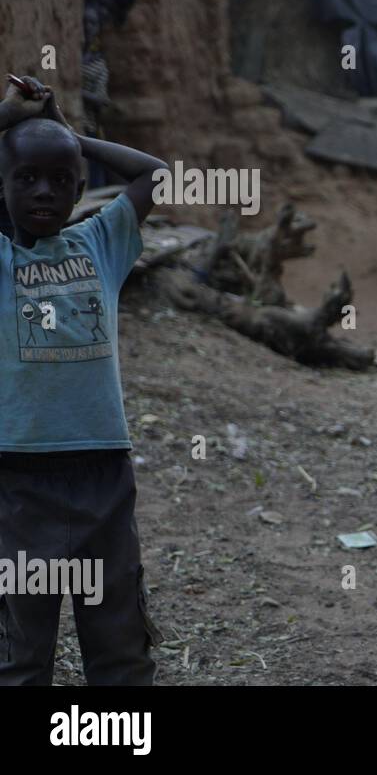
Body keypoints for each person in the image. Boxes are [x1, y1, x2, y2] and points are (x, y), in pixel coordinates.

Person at [0, 77, 167, 685]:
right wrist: (6, 120)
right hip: (19, 479)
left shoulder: (101, 241)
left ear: (79, 188)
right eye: (25, 178)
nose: (44, 191)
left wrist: (73, 138)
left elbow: (156, 175)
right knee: (22, 648)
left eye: (60, 179)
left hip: (103, 474)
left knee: (119, 642)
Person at [81, 0, 136, 189]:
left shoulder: (98, 62)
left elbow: (102, 100)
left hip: (88, 127)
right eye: (101, 4)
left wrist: (77, 92)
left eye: (108, 12)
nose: (102, 12)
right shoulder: (67, 50)